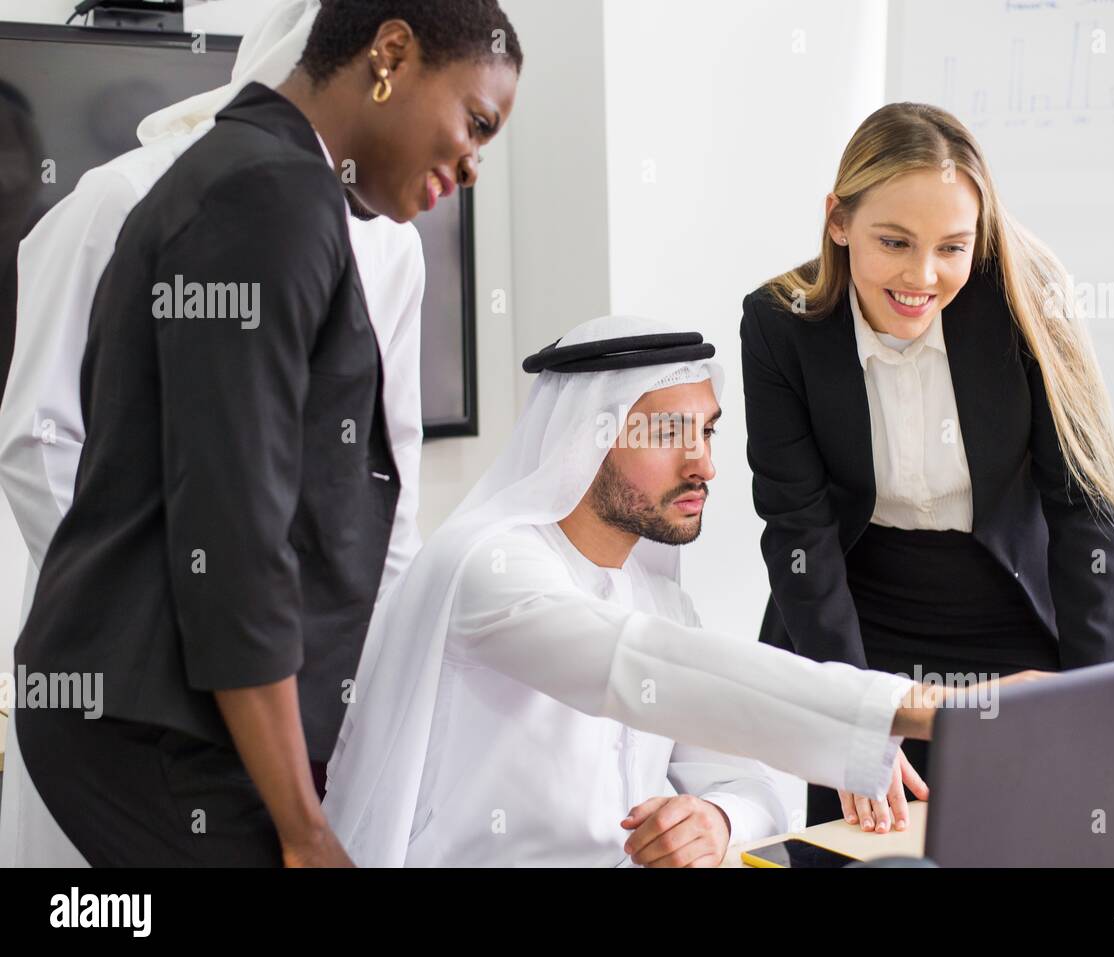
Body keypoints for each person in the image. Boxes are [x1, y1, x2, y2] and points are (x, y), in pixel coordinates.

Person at [10, 0, 521, 867]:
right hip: (167, 721)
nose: (473, 167)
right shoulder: (270, 193)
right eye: (476, 123)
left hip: (173, 713)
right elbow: (234, 528)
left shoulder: (260, 176)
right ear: (389, 53)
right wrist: (302, 822)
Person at [323, 315, 1040, 867]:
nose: (704, 465)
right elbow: (639, 666)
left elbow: (750, 783)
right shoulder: (492, 567)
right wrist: (918, 709)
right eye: (672, 432)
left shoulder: (652, 590)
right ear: (588, 436)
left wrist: (715, 819)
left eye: (709, 432)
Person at [741, 102, 1114, 830]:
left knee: (1022, 840)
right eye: (894, 241)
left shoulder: (1027, 301)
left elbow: (1086, 513)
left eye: (953, 247)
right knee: (861, 842)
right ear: (838, 221)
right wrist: (851, 720)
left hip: (1006, 622)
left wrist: (1089, 703)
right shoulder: (778, 324)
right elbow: (799, 530)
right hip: (854, 625)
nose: (923, 275)